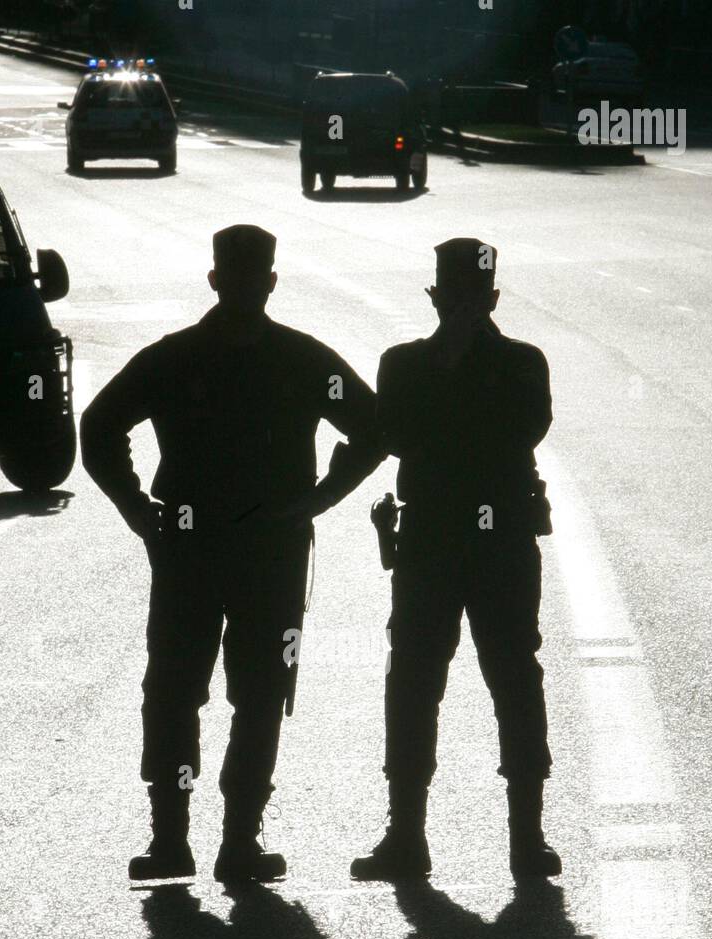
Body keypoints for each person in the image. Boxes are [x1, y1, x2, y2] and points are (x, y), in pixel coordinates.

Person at [81, 225, 383, 882]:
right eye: (238, 275)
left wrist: (318, 499)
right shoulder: (277, 360)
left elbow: (375, 427)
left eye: (253, 276)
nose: (246, 285)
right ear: (220, 280)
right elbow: (98, 429)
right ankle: (182, 839)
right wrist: (139, 512)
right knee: (183, 693)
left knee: (247, 693)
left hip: (236, 551)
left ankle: (227, 839)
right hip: (223, 550)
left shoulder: (201, 360)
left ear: (265, 282)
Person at [351, 237, 562, 881]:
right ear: (435, 298)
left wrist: (456, 388)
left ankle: (527, 836)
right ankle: (405, 836)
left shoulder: (524, 362)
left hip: (499, 544)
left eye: (477, 299)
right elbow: (396, 433)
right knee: (412, 684)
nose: (465, 309)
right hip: (430, 544)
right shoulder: (404, 362)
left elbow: (523, 427)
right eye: (453, 299)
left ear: (494, 299)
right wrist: (449, 363)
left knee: (515, 679)